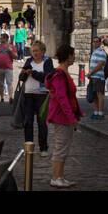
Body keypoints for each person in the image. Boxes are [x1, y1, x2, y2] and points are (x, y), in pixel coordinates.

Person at [46, 43, 83, 187]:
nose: (74, 57)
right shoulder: (59, 75)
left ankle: (60, 176)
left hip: (65, 116)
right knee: (60, 148)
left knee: (64, 148)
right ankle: (55, 177)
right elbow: (63, 99)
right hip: (61, 117)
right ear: (68, 56)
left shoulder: (64, 73)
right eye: (73, 55)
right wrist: (71, 118)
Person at [18, 40, 53, 156]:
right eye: (33, 51)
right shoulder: (29, 61)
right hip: (28, 95)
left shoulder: (48, 62)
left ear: (42, 51)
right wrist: (24, 73)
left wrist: (33, 73)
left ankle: (43, 148)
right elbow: (21, 78)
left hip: (42, 96)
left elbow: (47, 78)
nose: (35, 53)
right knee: (28, 122)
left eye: (37, 51)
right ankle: (29, 147)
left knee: (42, 123)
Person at [86, 36, 108, 120]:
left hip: (99, 77)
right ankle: (96, 112)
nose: (95, 43)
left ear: (100, 43)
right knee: (95, 95)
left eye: (97, 41)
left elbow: (99, 65)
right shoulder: (94, 52)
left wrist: (90, 72)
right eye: (94, 41)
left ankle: (100, 113)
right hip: (93, 77)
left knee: (100, 95)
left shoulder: (102, 52)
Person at [0, 32, 17, 103]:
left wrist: (11, 51)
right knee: (1, 84)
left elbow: (15, 57)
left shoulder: (11, 47)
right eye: (0, 38)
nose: (0, 39)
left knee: (9, 82)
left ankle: (10, 97)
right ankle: (2, 97)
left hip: (8, 67)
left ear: (6, 38)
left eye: (2, 38)